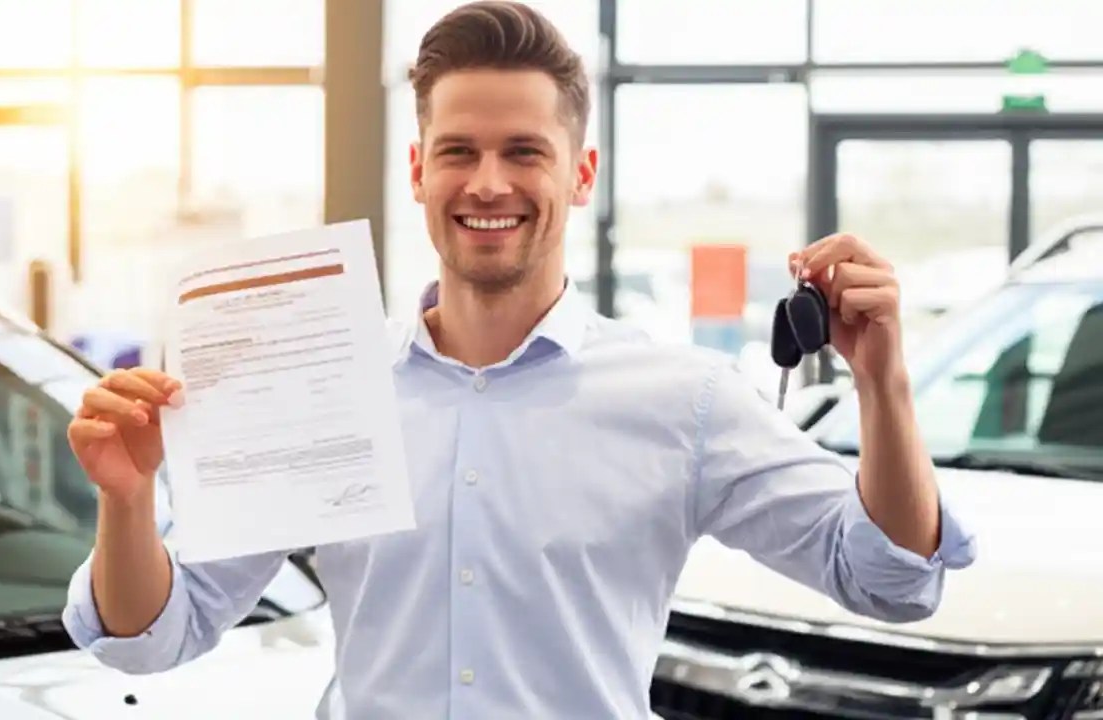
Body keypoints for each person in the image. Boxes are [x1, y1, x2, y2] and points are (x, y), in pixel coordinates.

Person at [62, 2, 976, 718]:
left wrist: (882, 385)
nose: (488, 183)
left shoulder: (684, 400)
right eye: (458, 150)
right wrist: (127, 499)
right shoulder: (327, 387)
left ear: (580, 175)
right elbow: (156, 635)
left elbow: (891, 579)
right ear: (419, 169)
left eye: (524, 152)